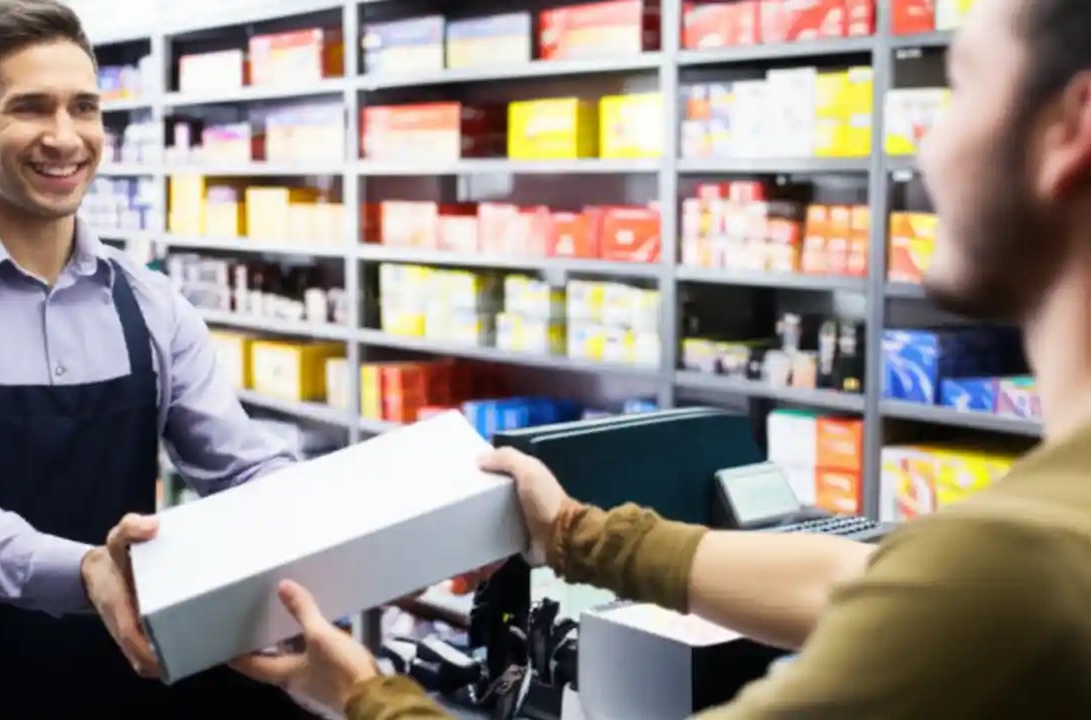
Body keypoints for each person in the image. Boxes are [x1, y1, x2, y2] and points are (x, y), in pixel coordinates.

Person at [231, 0, 1091, 717]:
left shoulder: (1013, 566)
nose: (926, 149)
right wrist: (576, 535)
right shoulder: (1033, 534)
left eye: (961, 87)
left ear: (1073, 127)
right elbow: (865, 580)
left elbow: (956, 592)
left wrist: (363, 695)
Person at [0, 1, 319, 717]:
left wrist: (345, 524)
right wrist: (89, 568)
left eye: (83, 108)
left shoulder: (151, 302)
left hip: (130, 675)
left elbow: (240, 462)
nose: (66, 138)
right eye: (31, 108)